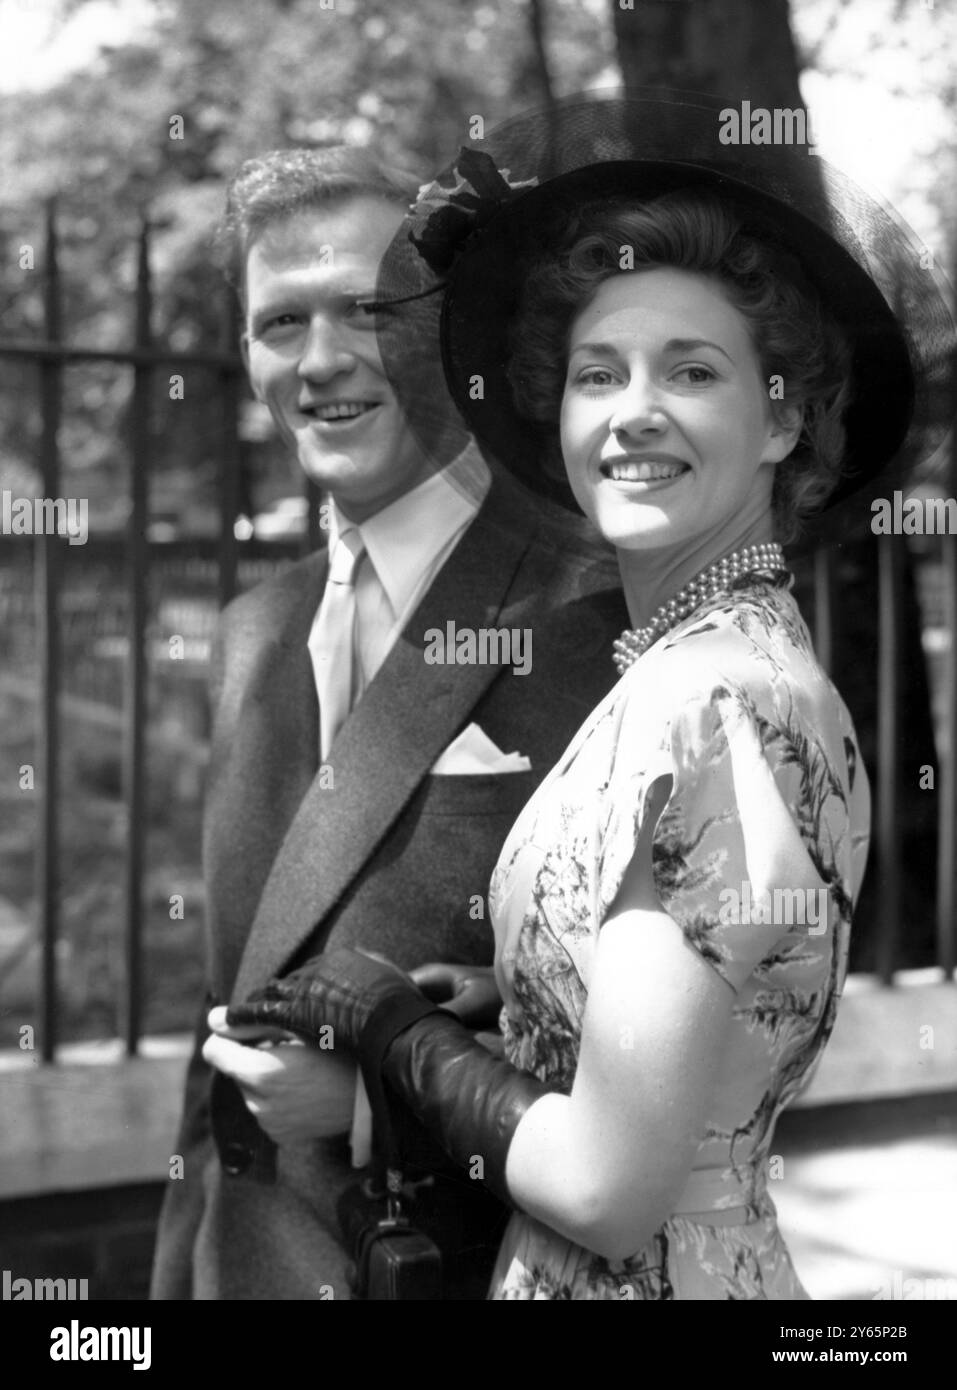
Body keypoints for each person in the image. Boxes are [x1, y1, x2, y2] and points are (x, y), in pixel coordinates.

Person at [226, 96, 953, 1299]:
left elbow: (609, 1191)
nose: (632, 412)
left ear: (780, 416)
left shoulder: (716, 700)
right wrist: (511, 1001)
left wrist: (397, 1042)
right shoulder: (686, 664)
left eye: (693, 370)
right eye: (597, 373)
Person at [149, 144, 628, 1301]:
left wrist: (379, 1101)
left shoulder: (593, 599)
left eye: (369, 308)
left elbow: (693, 1033)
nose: (320, 361)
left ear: (449, 322)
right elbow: (226, 1025)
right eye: (279, 323)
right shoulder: (249, 632)